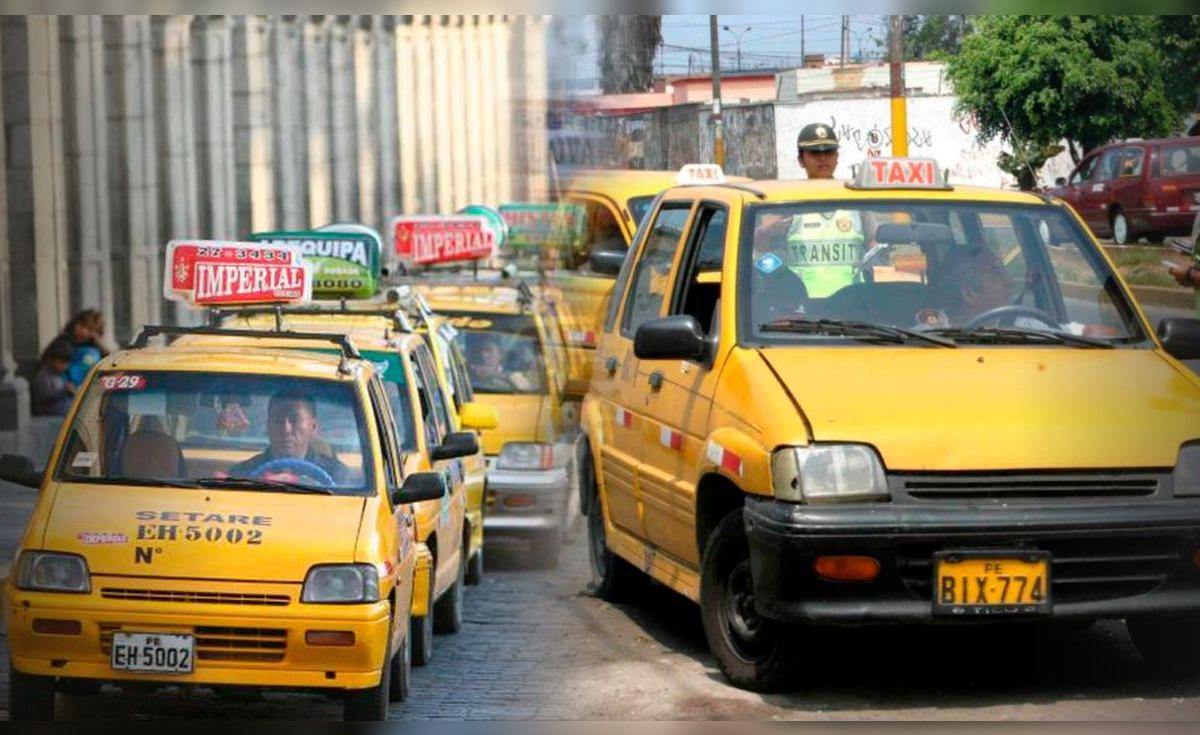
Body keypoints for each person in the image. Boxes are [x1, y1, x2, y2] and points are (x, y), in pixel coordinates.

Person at [785, 123, 868, 298]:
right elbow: (762, 247)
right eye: (815, 153)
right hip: (801, 307)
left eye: (828, 152)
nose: (823, 159)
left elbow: (876, 246)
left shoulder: (856, 201)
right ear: (801, 160)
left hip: (853, 303)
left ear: (837, 157)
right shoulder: (788, 204)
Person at [228, 389, 349, 485]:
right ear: (268, 427)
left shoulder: (339, 476)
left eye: (294, 420)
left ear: (313, 427)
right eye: (277, 420)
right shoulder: (241, 475)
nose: (286, 429)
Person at [926, 246, 1015, 327]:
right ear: (970, 293)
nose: (1010, 281)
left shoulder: (1022, 327)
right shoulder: (924, 340)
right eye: (996, 274)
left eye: (1004, 271)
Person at [31, 339, 75, 417]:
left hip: (60, 408)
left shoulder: (58, 374)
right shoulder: (43, 376)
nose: (65, 366)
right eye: (61, 362)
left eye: (66, 363)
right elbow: (45, 397)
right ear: (51, 359)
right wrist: (64, 390)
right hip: (49, 413)